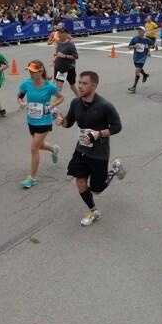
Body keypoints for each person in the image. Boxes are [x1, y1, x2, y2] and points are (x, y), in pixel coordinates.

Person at [54, 71, 126, 227]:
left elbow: (117, 127)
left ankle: (114, 168)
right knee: (80, 181)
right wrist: (62, 121)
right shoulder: (76, 103)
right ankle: (93, 211)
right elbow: (69, 123)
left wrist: (99, 133)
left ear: (94, 85)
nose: (80, 86)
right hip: (82, 150)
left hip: (99, 153)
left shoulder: (105, 106)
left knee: (97, 188)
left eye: (84, 83)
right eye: (79, 82)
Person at [16, 60, 64, 188]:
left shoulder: (49, 87)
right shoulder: (26, 84)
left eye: (33, 71)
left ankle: (32, 178)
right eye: (30, 71)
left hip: (45, 121)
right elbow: (20, 96)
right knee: (40, 145)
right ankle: (54, 149)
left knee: (34, 148)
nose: (31, 73)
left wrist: (51, 105)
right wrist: (21, 103)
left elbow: (61, 97)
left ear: (41, 71)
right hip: (31, 120)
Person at [52, 26, 79, 95]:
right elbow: (58, 54)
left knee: (72, 86)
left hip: (68, 68)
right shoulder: (59, 43)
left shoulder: (70, 45)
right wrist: (55, 59)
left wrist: (65, 56)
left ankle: (81, 99)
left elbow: (76, 56)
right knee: (58, 87)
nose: (59, 34)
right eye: (58, 33)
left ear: (66, 34)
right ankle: (55, 104)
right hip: (60, 68)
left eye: (60, 33)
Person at [127, 26, 153, 93]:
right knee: (138, 69)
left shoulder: (147, 40)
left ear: (144, 32)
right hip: (136, 57)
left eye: (140, 30)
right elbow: (129, 47)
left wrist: (149, 50)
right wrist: (134, 46)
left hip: (142, 57)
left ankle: (134, 87)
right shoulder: (134, 39)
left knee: (137, 71)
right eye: (138, 30)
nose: (139, 31)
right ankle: (145, 75)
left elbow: (152, 45)